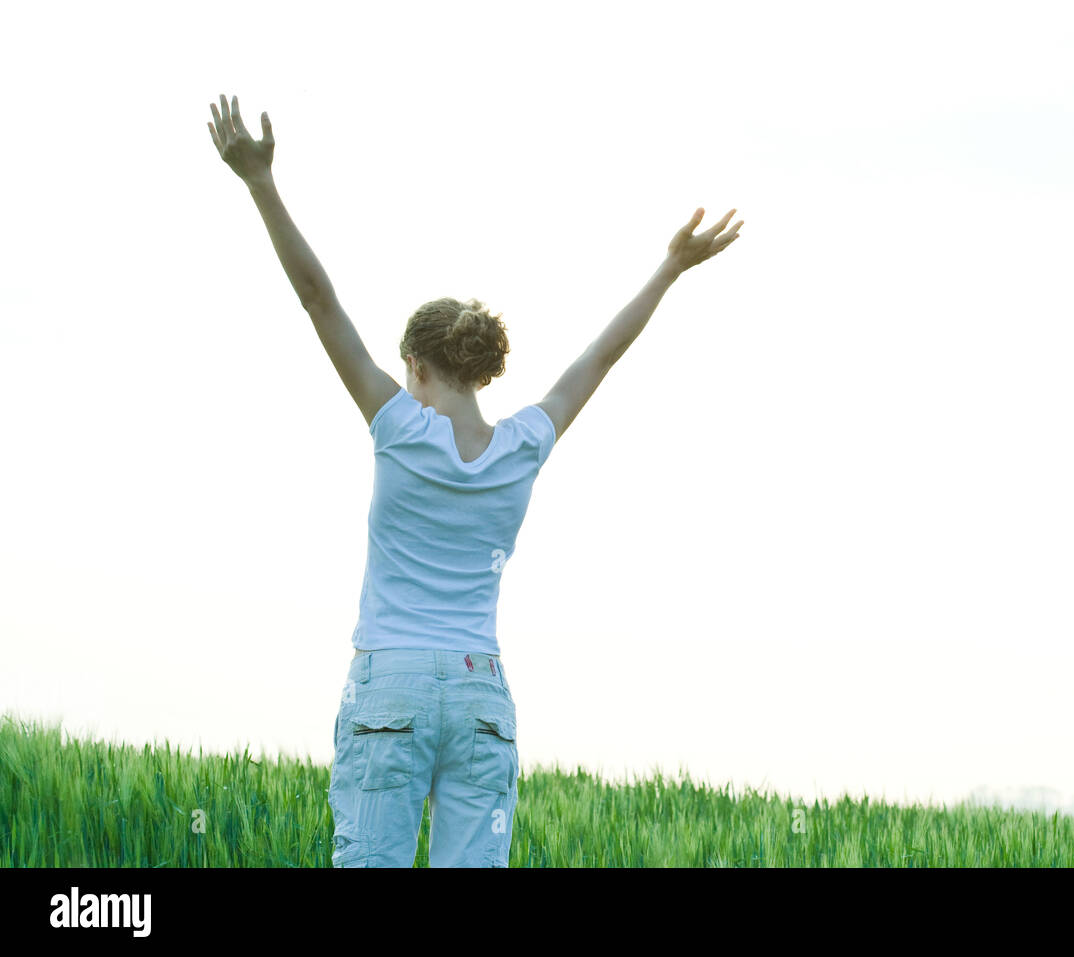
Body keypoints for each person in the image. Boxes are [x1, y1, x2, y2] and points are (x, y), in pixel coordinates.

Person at [207, 92, 743, 866]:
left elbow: (318, 299)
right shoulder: (523, 444)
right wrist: (670, 266)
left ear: (417, 368)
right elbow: (600, 356)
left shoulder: (398, 426)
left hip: (389, 682)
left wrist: (259, 181)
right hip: (479, 693)